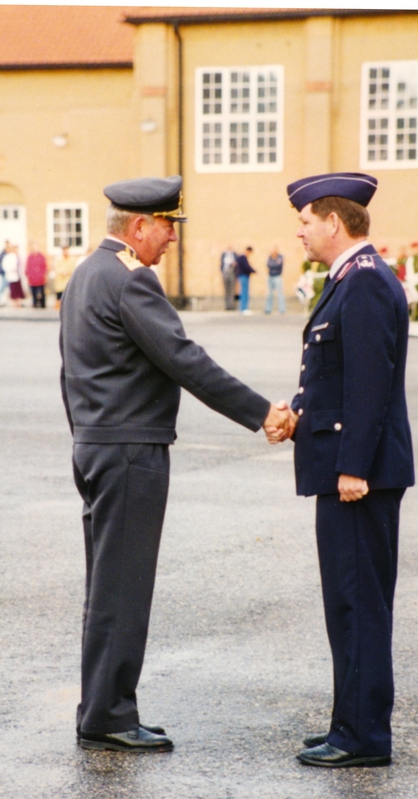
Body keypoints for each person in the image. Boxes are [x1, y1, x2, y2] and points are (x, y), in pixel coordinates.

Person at [59, 175, 295, 753]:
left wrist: (86, 435)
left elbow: (70, 370)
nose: (171, 239)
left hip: (95, 445)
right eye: (167, 227)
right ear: (139, 227)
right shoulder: (130, 282)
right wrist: (262, 412)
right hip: (130, 451)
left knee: (106, 587)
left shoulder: (86, 274)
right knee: (124, 589)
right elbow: (185, 360)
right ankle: (109, 716)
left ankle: (101, 709)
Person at [286, 172, 414, 768]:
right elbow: (336, 378)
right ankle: (349, 725)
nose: (300, 231)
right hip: (345, 468)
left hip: (356, 476)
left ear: (334, 222)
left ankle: (362, 739)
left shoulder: (361, 283)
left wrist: (353, 467)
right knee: (348, 602)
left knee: (357, 603)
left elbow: (370, 382)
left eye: (307, 221)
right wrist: (298, 411)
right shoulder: (351, 280)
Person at [0, 240, 20, 308]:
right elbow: (4, 265)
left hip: (8, 274)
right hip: (5, 274)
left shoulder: (5, 254)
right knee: (2, 288)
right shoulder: (4, 254)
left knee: (8, 289)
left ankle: (11, 302)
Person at [26, 241, 49, 308]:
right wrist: (28, 275)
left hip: (40, 278)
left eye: (35, 247)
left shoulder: (41, 256)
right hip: (32, 278)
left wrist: (44, 275)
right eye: (33, 247)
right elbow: (28, 267)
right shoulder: (30, 257)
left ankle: (43, 304)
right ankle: (35, 303)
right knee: (34, 292)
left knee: (42, 292)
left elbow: (45, 266)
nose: (34, 248)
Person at [265, 244, 286, 315]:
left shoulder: (280, 257)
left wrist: (272, 265)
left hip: (278, 277)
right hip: (270, 277)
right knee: (269, 294)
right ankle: (268, 309)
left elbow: (277, 265)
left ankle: (282, 309)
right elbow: (268, 265)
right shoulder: (269, 257)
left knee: (280, 294)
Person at [52, 244, 75, 308]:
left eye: (66, 250)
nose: (65, 252)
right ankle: (58, 305)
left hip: (68, 279)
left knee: (68, 294)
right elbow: (57, 268)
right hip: (60, 280)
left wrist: (68, 272)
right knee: (59, 294)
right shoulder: (59, 259)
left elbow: (73, 268)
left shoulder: (71, 259)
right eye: (64, 250)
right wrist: (62, 272)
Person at [235, 246, 256, 315]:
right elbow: (246, 267)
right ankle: (244, 308)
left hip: (243, 276)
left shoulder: (241, 257)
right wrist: (253, 271)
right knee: (244, 292)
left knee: (244, 291)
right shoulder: (243, 257)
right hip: (243, 276)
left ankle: (243, 308)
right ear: (248, 251)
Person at [220, 245, 238, 311]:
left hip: (232, 272)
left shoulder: (234, 254)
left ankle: (231, 305)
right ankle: (227, 305)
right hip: (225, 272)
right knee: (226, 289)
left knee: (232, 289)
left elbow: (237, 262)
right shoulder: (224, 254)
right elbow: (221, 264)